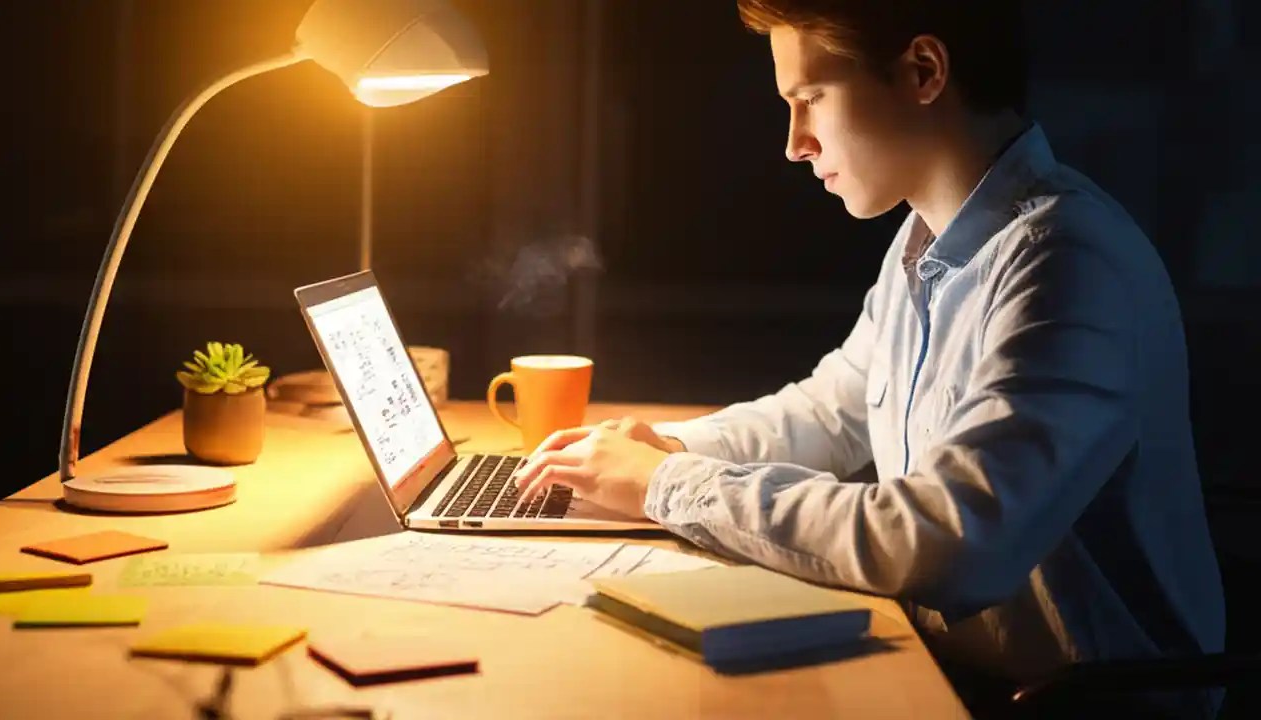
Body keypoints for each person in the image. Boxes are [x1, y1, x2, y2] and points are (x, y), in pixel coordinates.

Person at [511, 1, 1225, 716]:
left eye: (810, 99)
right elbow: (830, 410)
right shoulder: (926, 243)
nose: (795, 143)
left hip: (1066, 704)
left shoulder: (1066, 262)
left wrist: (669, 484)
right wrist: (656, 450)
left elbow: (948, 543)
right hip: (962, 677)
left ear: (922, 71)